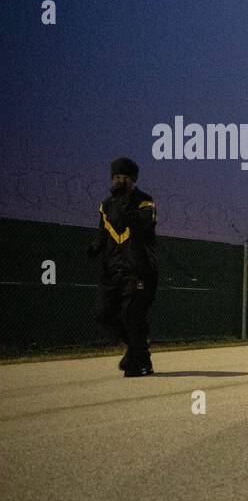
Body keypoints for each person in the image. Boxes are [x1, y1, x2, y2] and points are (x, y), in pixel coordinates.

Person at [89, 156, 158, 377]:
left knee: (131, 314)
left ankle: (141, 363)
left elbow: (141, 225)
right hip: (111, 270)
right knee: (103, 313)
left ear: (133, 180)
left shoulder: (145, 202)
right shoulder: (105, 205)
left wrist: (123, 203)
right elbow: (105, 230)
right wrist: (96, 245)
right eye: (117, 177)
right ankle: (138, 349)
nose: (120, 181)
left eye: (125, 178)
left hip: (137, 269)